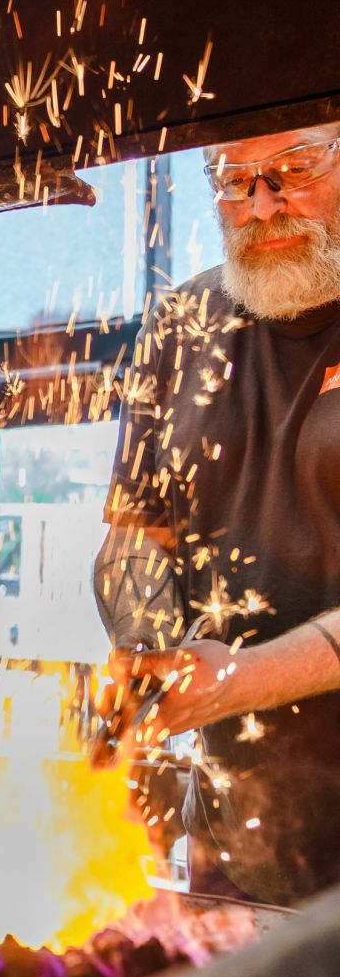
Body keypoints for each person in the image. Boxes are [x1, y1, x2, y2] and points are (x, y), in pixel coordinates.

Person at [95, 119, 340, 906]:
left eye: (297, 169)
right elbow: (134, 537)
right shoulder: (180, 323)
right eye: (234, 180)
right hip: (238, 832)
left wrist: (246, 676)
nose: (263, 205)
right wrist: (149, 644)